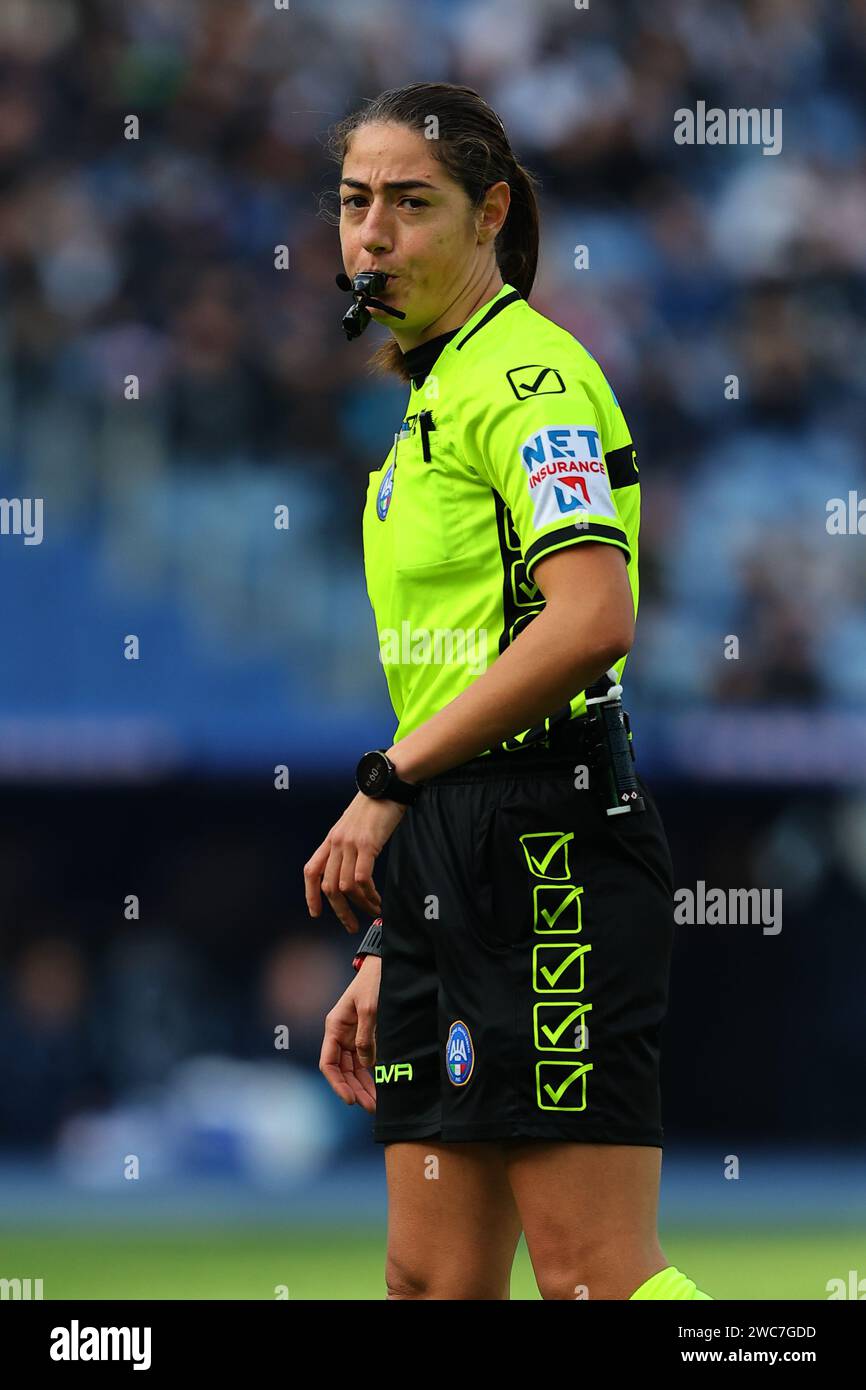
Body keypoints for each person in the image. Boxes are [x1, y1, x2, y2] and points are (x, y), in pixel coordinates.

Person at [305, 82, 712, 1302]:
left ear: (489, 215)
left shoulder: (528, 379)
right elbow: (447, 666)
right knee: (429, 1280)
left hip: (549, 844)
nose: (371, 235)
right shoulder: (426, 406)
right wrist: (394, 927)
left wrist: (388, 782)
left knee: (591, 1276)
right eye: (352, 202)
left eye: (409, 205)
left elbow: (592, 618)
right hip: (445, 862)